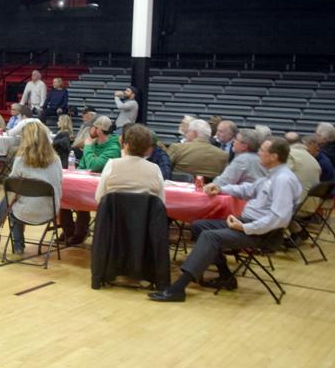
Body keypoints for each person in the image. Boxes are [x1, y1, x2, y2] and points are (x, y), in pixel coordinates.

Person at [149, 138, 302, 303]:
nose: (259, 153)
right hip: (248, 224)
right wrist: (221, 188)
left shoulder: (283, 179)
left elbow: (279, 218)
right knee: (199, 226)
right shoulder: (273, 174)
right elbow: (248, 189)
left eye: (263, 151)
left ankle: (179, 288)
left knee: (210, 236)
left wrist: (245, 227)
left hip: (262, 233)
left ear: (274, 156)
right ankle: (226, 276)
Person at [0, 121, 62, 255]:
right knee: (15, 199)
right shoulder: (56, 160)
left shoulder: (21, 160)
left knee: (11, 201)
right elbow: (59, 182)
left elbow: (11, 187)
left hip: (25, 212)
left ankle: (17, 246)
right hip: (50, 210)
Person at [61, 115, 120, 246]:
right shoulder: (95, 144)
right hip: (86, 185)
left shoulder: (114, 148)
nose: (90, 130)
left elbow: (93, 166)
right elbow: (83, 165)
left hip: (103, 190)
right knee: (62, 194)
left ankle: (80, 233)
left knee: (82, 199)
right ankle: (69, 230)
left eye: (93, 127)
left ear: (98, 130)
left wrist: (87, 147)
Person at [95, 124, 165, 203]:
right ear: (147, 148)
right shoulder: (155, 169)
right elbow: (161, 202)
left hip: (115, 211)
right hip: (143, 211)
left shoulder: (111, 164)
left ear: (126, 145)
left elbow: (99, 198)